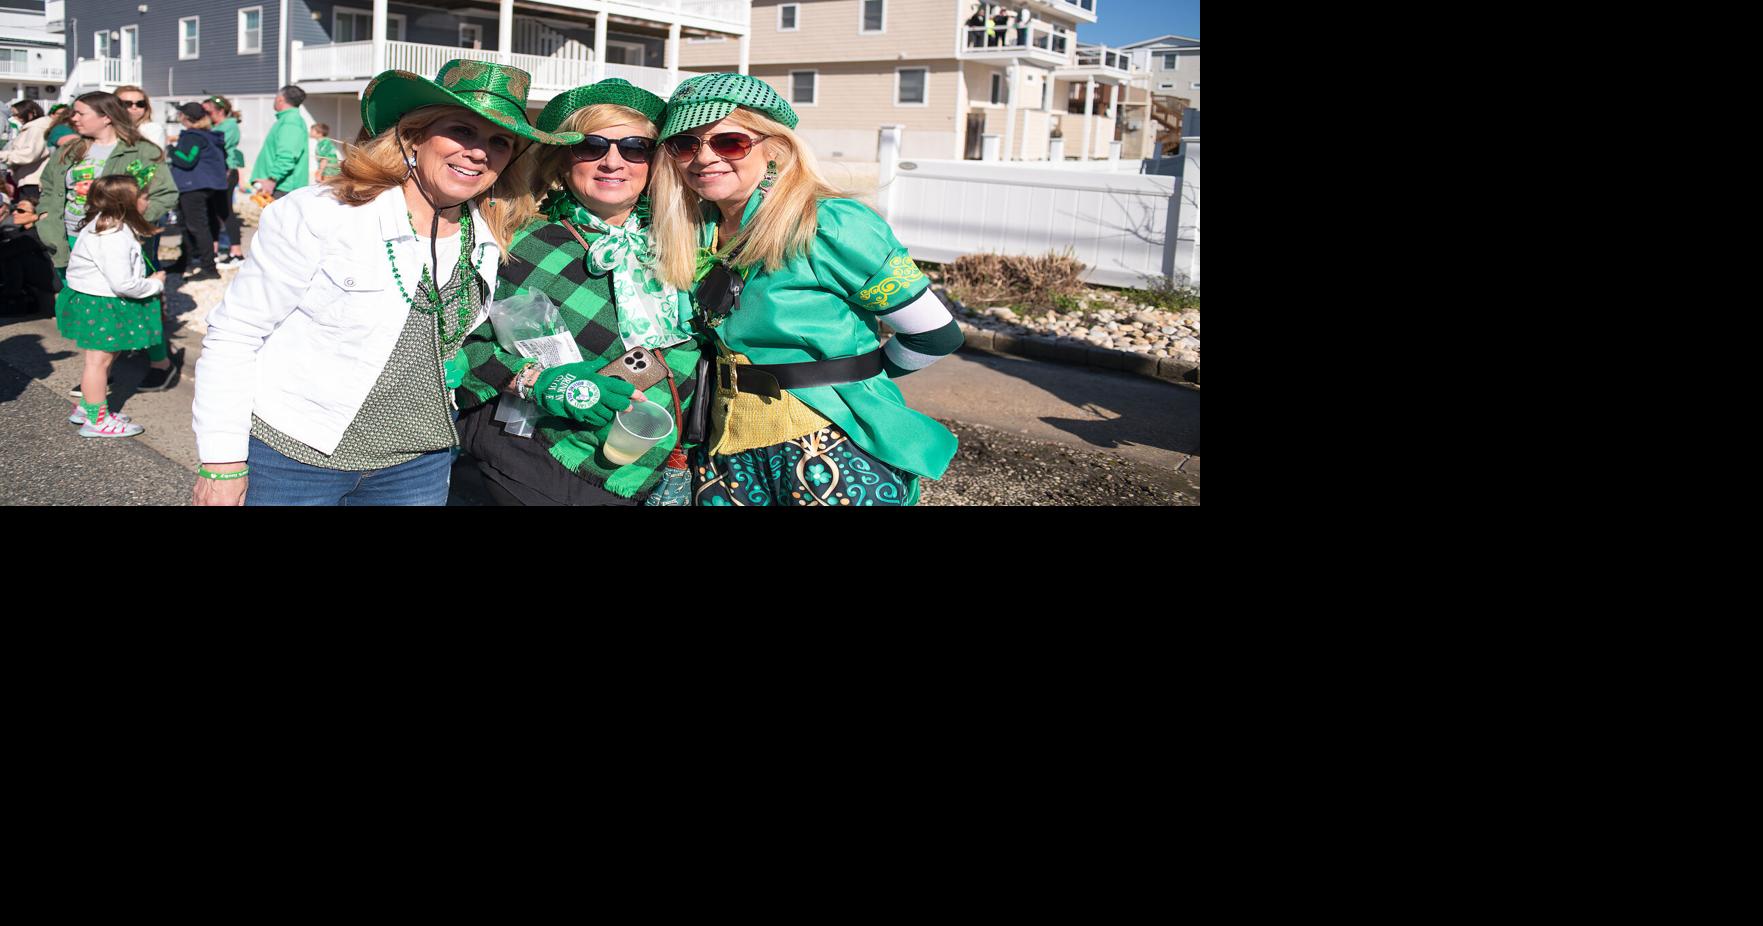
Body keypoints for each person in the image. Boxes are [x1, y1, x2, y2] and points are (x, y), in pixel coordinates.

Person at [190, 60, 580, 505]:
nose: (479, 152)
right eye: (462, 131)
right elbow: (236, 334)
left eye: (499, 142)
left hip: (417, 462)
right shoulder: (322, 214)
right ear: (414, 136)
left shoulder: (493, 234)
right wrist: (221, 463)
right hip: (294, 455)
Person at [651, 74, 963, 506]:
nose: (704, 158)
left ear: (774, 146)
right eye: (685, 145)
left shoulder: (829, 225)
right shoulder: (695, 232)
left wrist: (855, 381)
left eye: (729, 142)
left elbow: (936, 335)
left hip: (828, 445)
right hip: (727, 449)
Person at [454, 78, 701, 506]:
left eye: (634, 148)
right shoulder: (514, 239)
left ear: (653, 161)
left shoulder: (687, 241)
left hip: (656, 463)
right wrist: (540, 382)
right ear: (562, 161)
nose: (612, 162)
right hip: (531, 461)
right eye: (590, 147)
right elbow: (459, 344)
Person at [38, 92, 181, 393]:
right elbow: (49, 186)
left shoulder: (142, 151)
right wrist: (45, 217)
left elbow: (165, 193)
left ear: (105, 116)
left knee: (134, 304)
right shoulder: (71, 149)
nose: (72, 118)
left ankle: (160, 364)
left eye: (79, 113)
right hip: (71, 240)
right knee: (95, 309)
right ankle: (101, 370)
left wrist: (134, 220)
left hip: (119, 240)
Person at [55, 175, 166, 437]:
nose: (148, 201)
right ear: (126, 202)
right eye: (144, 197)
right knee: (99, 361)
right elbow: (123, 283)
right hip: (102, 303)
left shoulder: (109, 226)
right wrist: (154, 285)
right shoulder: (113, 234)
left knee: (105, 357)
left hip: (98, 300)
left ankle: (89, 407)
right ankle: (97, 420)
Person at [167, 101, 228, 282]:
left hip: (193, 186)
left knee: (197, 226)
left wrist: (170, 150)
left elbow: (187, 160)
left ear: (184, 118)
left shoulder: (193, 137)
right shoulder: (209, 135)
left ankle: (209, 268)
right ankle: (185, 260)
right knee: (188, 224)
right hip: (206, 186)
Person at [202, 95, 246, 266]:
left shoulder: (230, 125)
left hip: (226, 171)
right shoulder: (214, 126)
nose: (205, 114)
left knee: (225, 210)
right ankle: (213, 250)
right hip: (214, 171)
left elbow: (219, 145)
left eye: (208, 111)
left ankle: (236, 252)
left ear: (220, 111)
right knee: (212, 211)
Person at [250, 84, 311, 200]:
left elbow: (287, 156)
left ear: (280, 99)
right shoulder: (288, 120)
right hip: (280, 186)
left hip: (283, 188)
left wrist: (272, 179)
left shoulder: (290, 122)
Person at [3, 100, 52, 203]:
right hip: (25, 180)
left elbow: (30, 154)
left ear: (30, 113)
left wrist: (5, 156)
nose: (15, 118)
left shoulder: (37, 128)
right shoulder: (30, 128)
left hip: (33, 182)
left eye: (18, 114)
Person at [114, 85, 165, 151]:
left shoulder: (152, 129)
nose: (134, 107)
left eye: (140, 103)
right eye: (127, 104)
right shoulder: (106, 129)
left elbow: (150, 158)